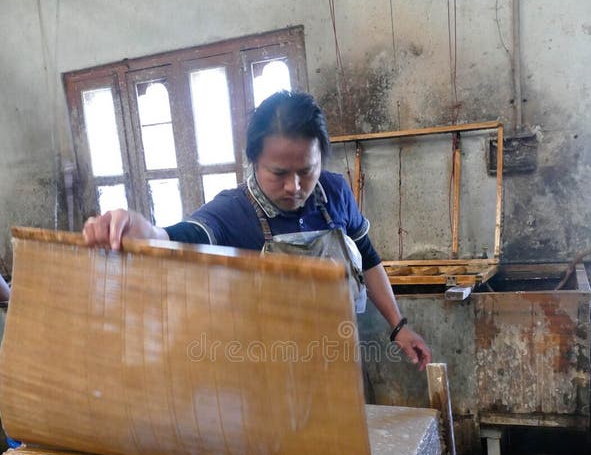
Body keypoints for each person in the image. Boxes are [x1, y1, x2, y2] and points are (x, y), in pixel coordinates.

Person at [83, 91, 431, 370]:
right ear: (254, 161)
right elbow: (183, 236)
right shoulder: (234, 210)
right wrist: (146, 232)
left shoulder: (335, 192)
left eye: (306, 171)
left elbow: (367, 258)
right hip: (266, 372)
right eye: (279, 173)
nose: (295, 187)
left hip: (339, 357)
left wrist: (398, 326)